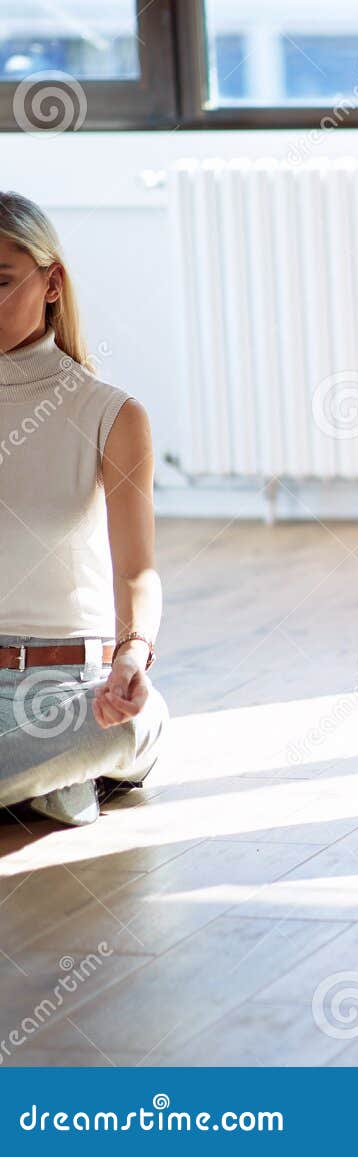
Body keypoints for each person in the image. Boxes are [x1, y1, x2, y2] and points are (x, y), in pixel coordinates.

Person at [0, 191, 165, 825]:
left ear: (52, 282)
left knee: (126, 728)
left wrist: (132, 653)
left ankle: (64, 767)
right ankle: (51, 782)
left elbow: (137, 571)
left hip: (72, 691)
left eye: (1, 281)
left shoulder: (110, 413)